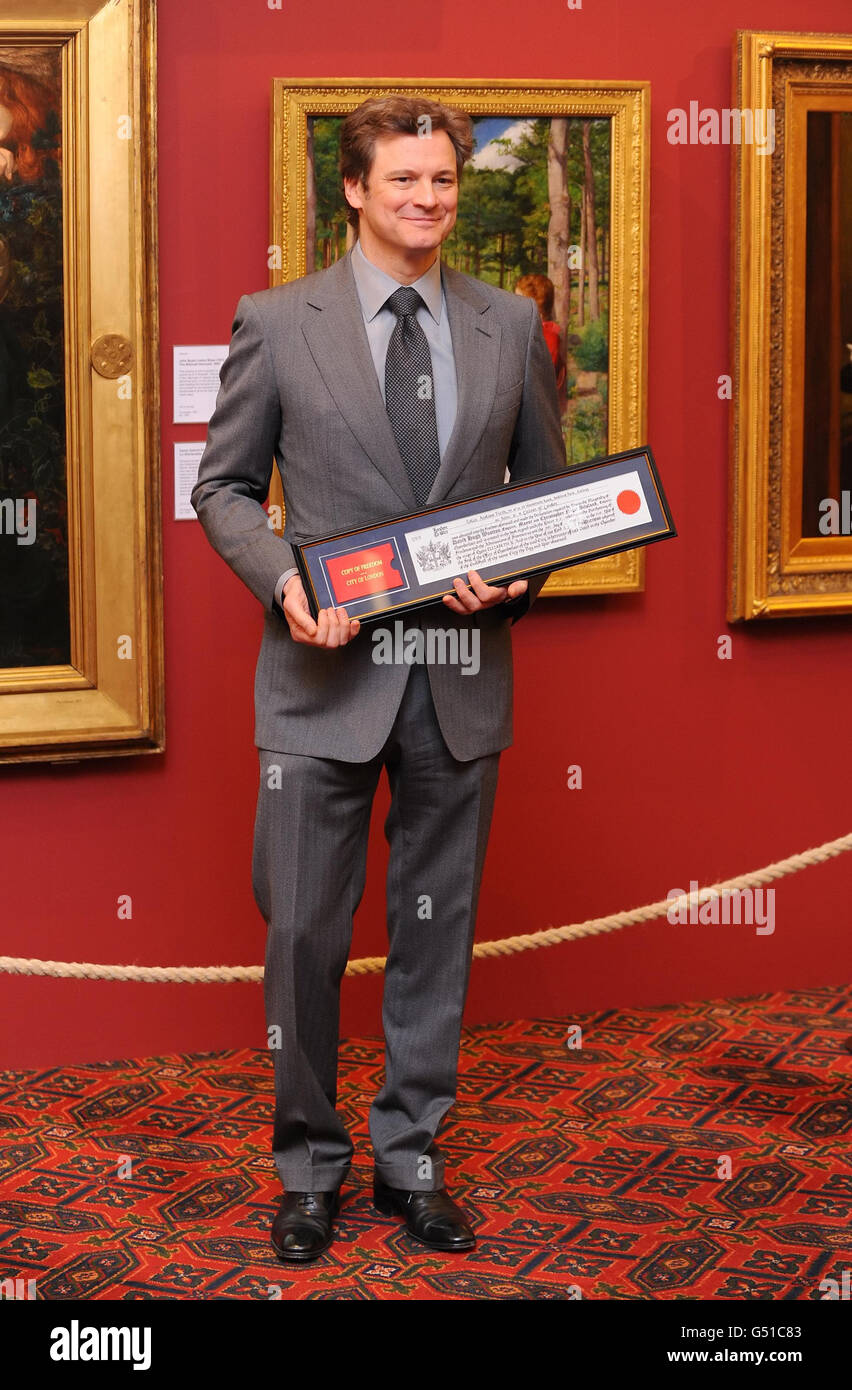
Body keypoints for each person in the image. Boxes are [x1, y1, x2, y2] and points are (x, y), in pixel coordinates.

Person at [191, 94, 566, 1263]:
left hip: (459, 675)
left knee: (434, 930)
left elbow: (545, 507)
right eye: (405, 180)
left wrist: (514, 580)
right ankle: (307, 1164)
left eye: (444, 180)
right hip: (319, 682)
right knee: (302, 928)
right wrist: (283, 581)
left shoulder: (510, 324)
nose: (428, 200)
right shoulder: (275, 319)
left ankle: (412, 1154)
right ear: (354, 190)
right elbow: (224, 489)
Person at [515, 272, 568, 417]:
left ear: (533, 305)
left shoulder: (547, 337)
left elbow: (537, 385)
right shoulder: (534, 332)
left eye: (517, 300)